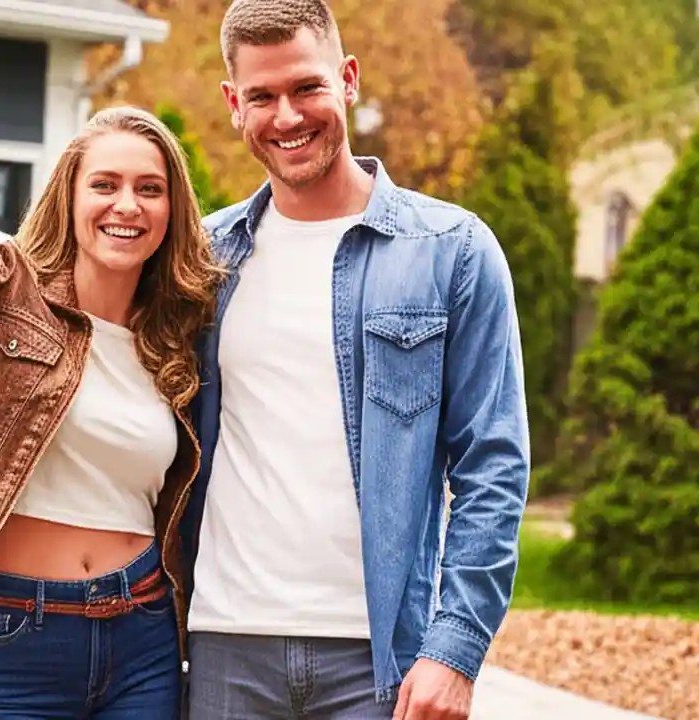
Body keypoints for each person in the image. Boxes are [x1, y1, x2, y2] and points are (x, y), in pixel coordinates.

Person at [0, 1, 221, 717]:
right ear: (71, 196)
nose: (128, 205)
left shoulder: (179, 339)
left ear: (172, 210)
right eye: (106, 185)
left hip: (142, 634)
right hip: (9, 635)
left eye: (150, 189)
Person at [179, 0, 531, 718]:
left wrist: (454, 648)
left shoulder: (452, 252)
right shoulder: (202, 259)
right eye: (262, 96)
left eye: (307, 87)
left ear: (347, 79)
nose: (287, 116)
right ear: (232, 104)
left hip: (381, 663)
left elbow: (492, 465)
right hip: (224, 646)